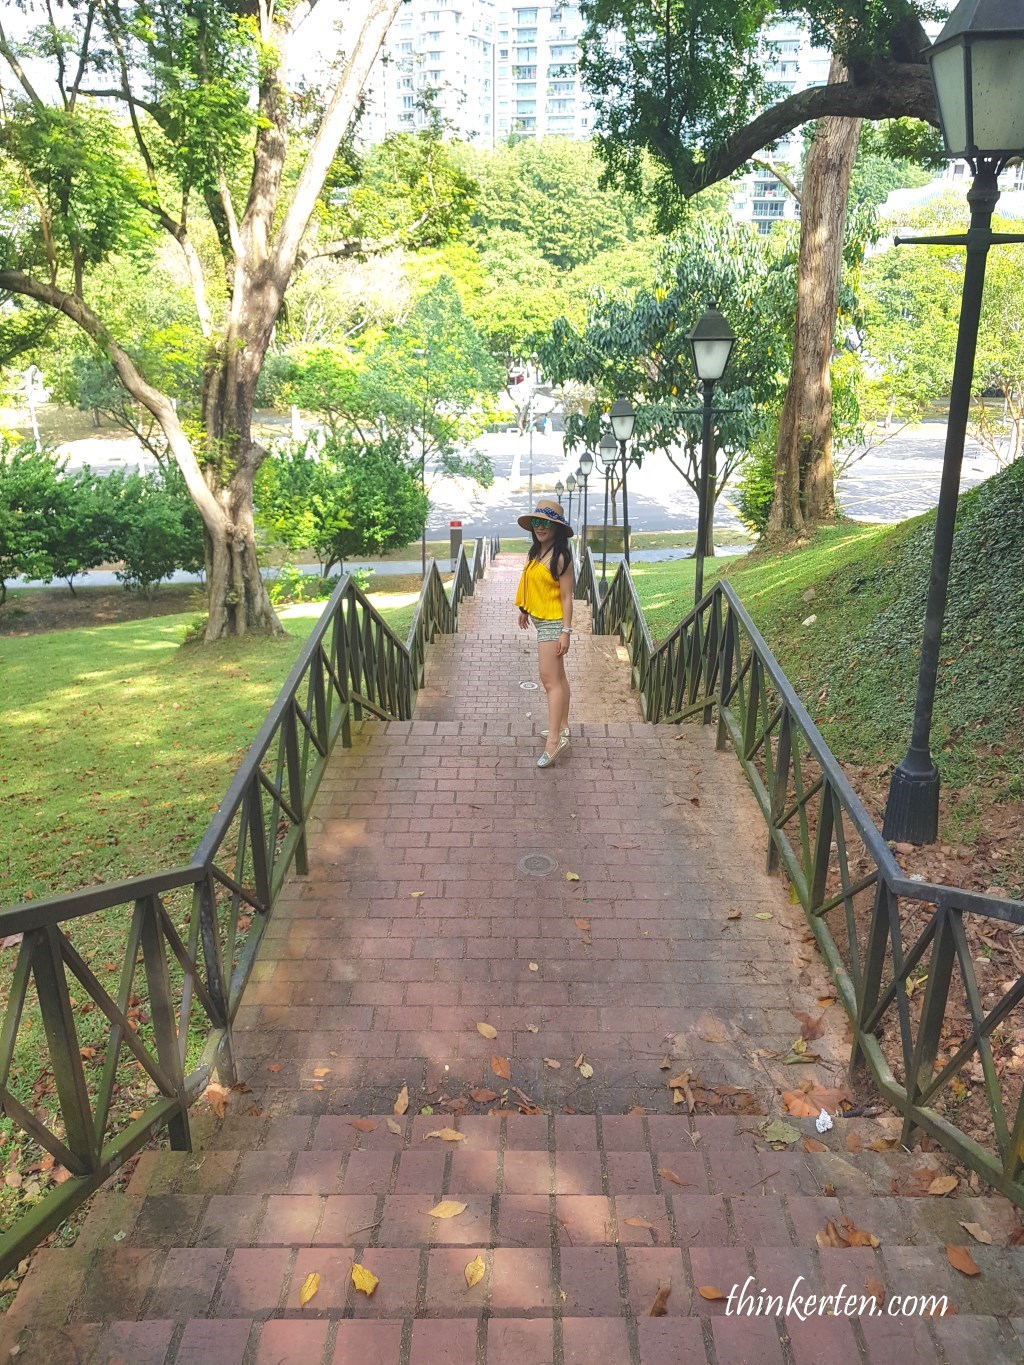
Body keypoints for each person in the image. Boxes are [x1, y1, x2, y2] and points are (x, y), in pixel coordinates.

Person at [513, 501, 575, 768]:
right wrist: (525, 608)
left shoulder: (560, 557)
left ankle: (554, 740)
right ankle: (562, 726)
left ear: (556, 528)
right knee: (559, 677)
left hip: (552, 622)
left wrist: (566, 631)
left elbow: (566, 596)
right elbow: (531, 581)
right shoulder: (536, 551)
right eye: (537, 522)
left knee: (549, 680)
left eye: (546, 523)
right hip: (540, 618)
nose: (540, 527)